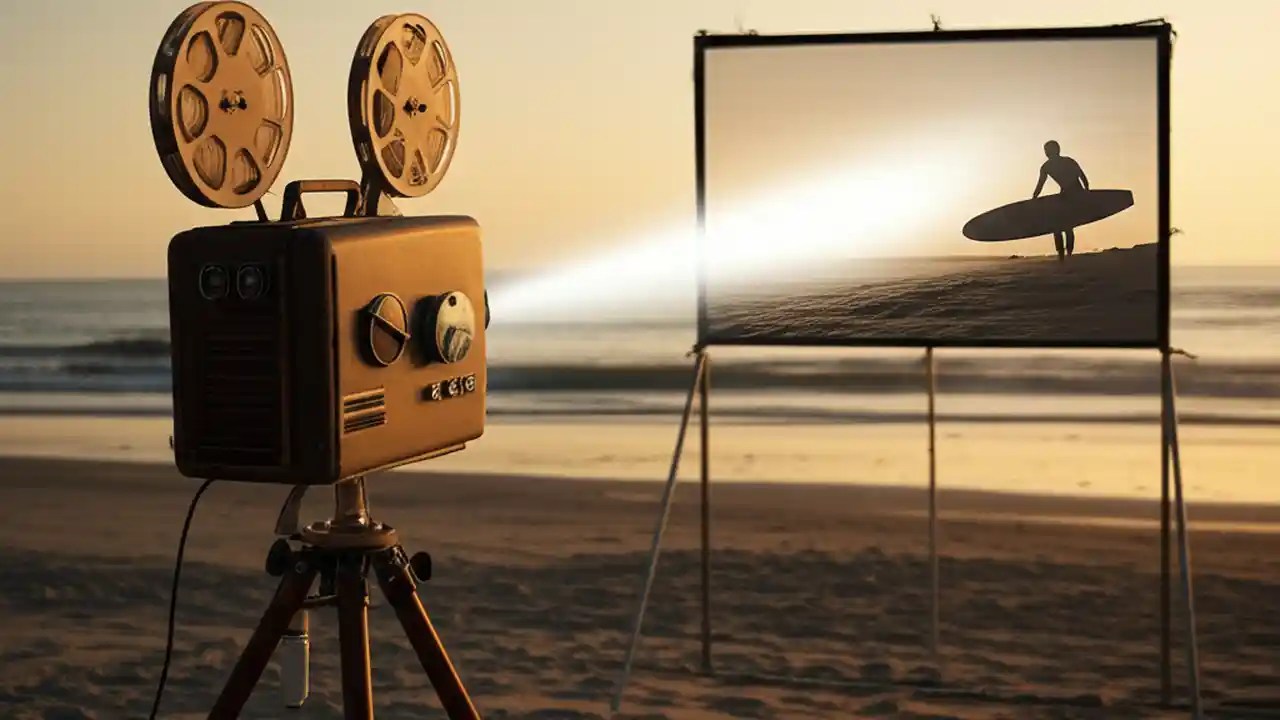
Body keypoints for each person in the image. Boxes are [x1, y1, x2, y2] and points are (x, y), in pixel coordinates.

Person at [1032, 140, 1089, 260]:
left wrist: (1085, 194)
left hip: (1074, 194)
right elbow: (1040, 184)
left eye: (1047, 150)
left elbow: (1082, 176)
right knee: (1062, 226)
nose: (1047, 153)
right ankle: (1064, 254)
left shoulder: (1059, 163)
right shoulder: (1048, 166)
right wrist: (1034, 198)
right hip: (1068, 194)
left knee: (1062, 225)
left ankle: (1064, 254)